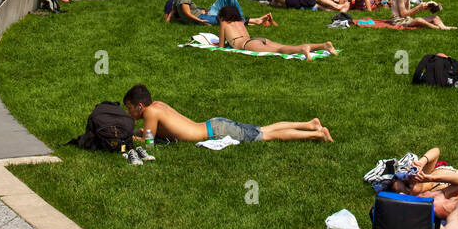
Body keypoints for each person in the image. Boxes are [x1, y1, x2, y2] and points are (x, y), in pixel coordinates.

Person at [123, 83, 333, 143]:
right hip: (214, 124)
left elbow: (148, 142)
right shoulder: (158, 105)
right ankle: (309, 123)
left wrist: (129, 135)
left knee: (266, 135)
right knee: (262, 129)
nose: (129, 112)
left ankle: (316, 134)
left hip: (216, 131)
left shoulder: (150, 113)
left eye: (129, 108)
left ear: (139, 106)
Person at [215, 5, 337, 59]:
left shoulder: (224, 23)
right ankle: (323, 45)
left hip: (246, 44)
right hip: (258, 39)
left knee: (279, 51)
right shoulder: (240, 22)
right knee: (284, 47)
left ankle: (303, 49)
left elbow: (221, 46)